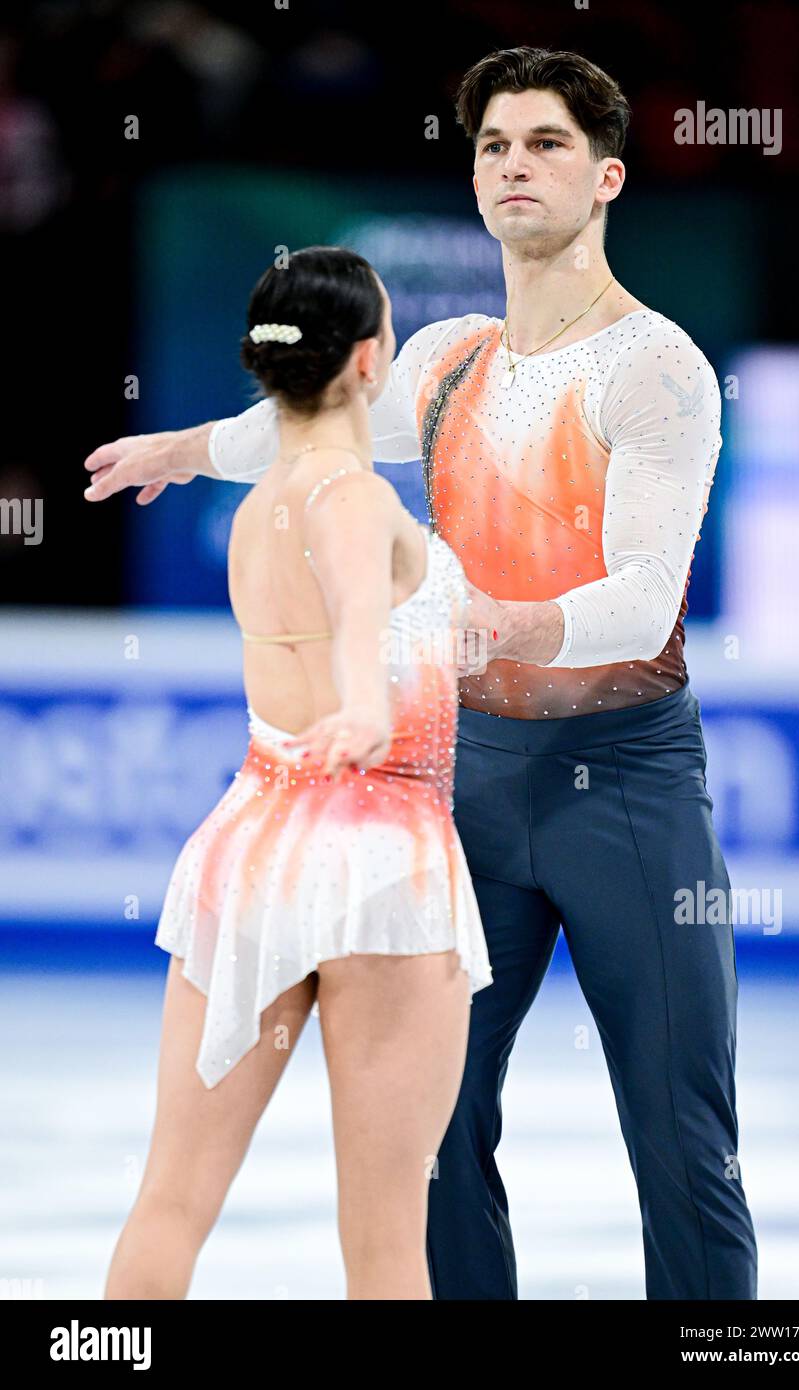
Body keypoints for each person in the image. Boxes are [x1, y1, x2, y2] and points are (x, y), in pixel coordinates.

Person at [88, 46, 758, 1301]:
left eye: (546, 142)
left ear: (606, 176)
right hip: (468, 785)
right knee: (437, 1141)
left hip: (624, 782)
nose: (514, 162)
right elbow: (314, 425)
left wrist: (482, 626)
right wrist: (181, 448)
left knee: (677, 1131)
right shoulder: (447, 355)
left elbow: (640, 599)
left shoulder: (654, 365)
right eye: (495, 143)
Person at [102, 248, 493, 1302]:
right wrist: (363, 701)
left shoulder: (258, 499)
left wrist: (180, 449)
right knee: (384, 1242)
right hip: (377, 864)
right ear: (371, 358)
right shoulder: (353, 498)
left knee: (170, 1201)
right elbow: (358, 599)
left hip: (251, 847)